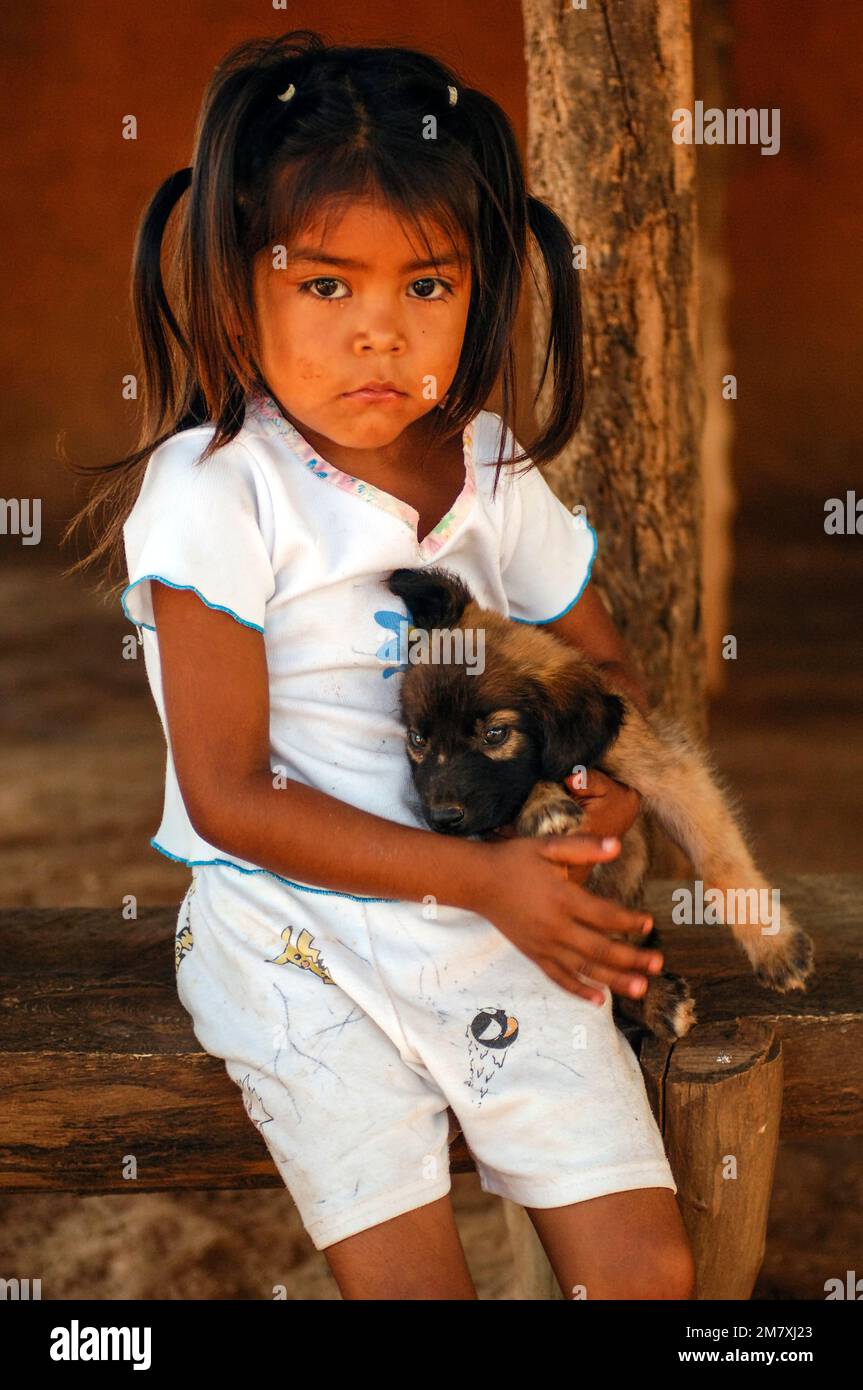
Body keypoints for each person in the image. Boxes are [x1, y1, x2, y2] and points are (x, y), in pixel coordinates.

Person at [64, 30, 695, 1300]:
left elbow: (605, 678)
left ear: (481, 292)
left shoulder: (491, 468)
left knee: (645, 1272)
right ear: (238, 286)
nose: (379, 335)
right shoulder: (216, 493)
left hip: (496, 918)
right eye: (325, 284)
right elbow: (231, 793)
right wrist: (481, 880)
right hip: (289, 933)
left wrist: (594, 791)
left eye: (427, 286)